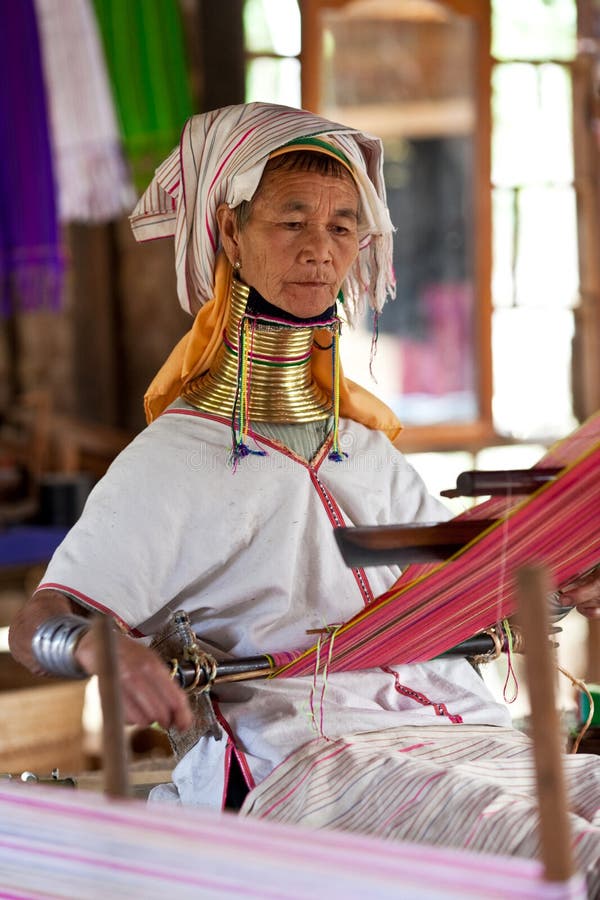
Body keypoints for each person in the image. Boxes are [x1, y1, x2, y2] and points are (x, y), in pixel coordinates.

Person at [8, 102, 600, 889]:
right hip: (309, 762)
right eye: (292, 222)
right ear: (230, 233)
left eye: (342, 226)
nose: (320, 249)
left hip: (465, 734)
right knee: (565, 851)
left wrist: (560, 586)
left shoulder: (367, 451)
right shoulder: (173, 461)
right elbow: (36, 625)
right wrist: (97, 645)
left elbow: (461, 594)